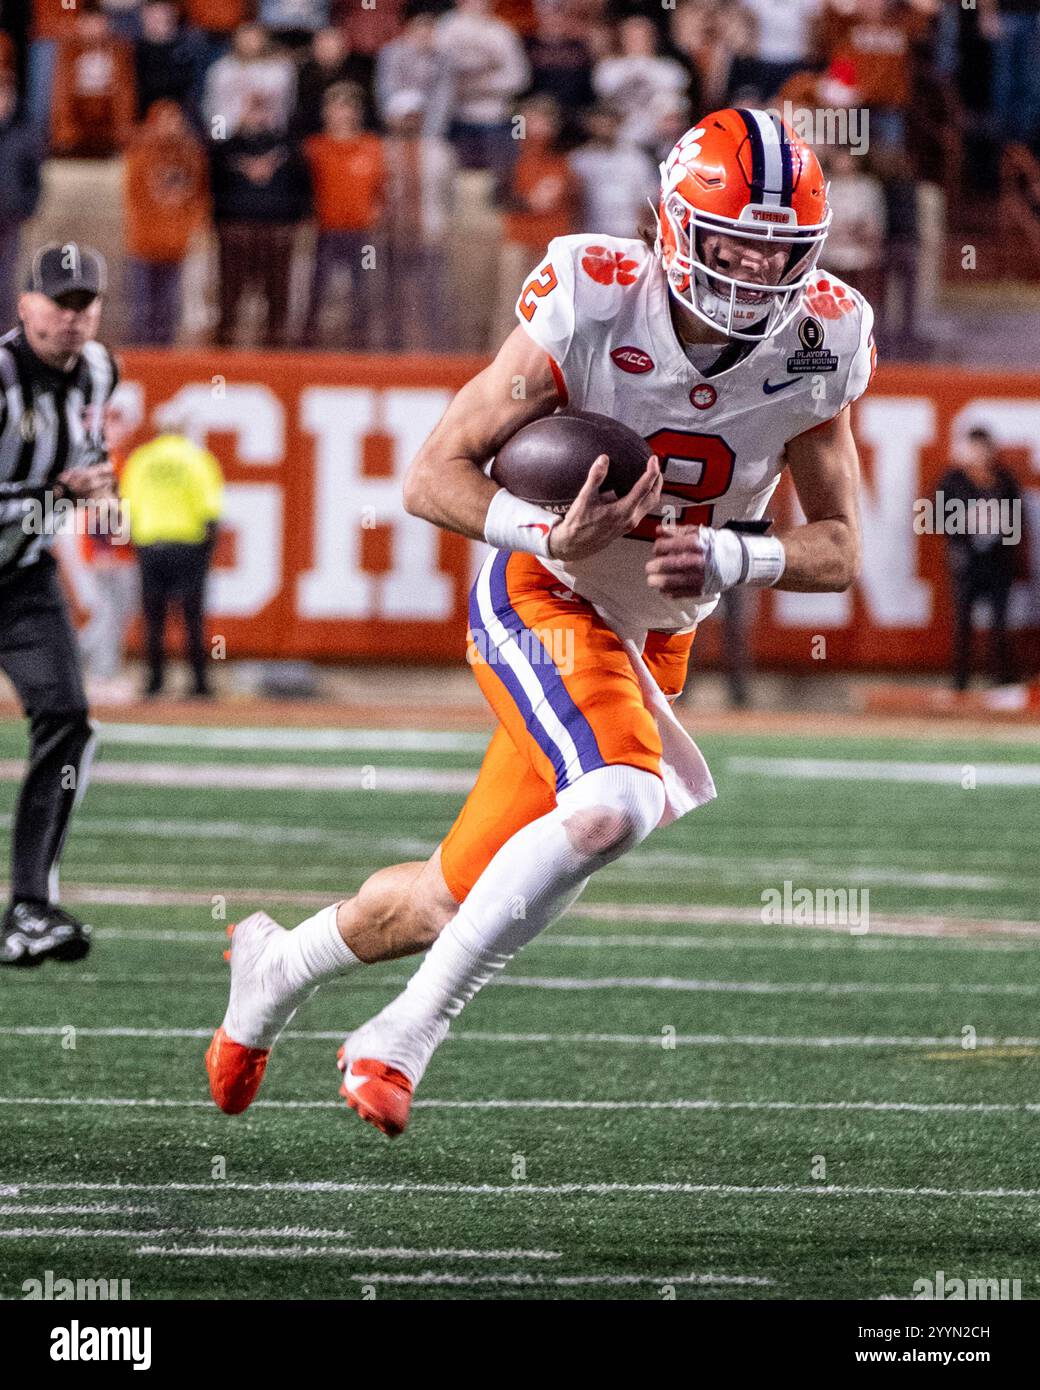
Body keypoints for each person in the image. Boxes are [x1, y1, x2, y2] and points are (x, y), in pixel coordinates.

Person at [206, 108, 876, 1136]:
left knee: (448, 896)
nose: (749, 272)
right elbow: (432, 475)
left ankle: (275, 967)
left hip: (656, 628)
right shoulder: (595, 297)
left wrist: (735, 552)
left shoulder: (822, 339)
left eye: (774, 251)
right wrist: (543, 531)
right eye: (730, 242)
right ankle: (402, 1035)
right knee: (612, 803)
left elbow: (839, 547)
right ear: (671, 225)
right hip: (541, 591)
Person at [0, 243, 118, 967]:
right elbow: (55, 488)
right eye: (58, 303)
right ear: (25, 306)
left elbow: (87, 460)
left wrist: (98, 493)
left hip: (21, 577)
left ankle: (30, 908)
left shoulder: (101, 370)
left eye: (83, 304)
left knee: (68, 717)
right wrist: (54, 496)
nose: (71, 319)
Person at [119, 422, 224, 698]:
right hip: (188, 543)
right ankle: (199, 684)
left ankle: (154, 682)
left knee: (153, 618)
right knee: (192, 617)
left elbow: (128, 503)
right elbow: (210, 507)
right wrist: (209, 545)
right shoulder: (197, 459)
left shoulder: (142, 459)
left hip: (150, 543)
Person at [209, 91, 312, 348]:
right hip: (237, 230)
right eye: (253, 108)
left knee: (277, 296)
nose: (258, 115)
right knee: (230, 295)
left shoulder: (289, 146)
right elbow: (213, 186)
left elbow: (303, 186)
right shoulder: (226, 147)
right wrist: (219, 223)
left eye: (264, 109)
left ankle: (275, 355)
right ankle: (223, 351)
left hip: (276, 231)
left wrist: (295, 221)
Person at [936, 428, 1023, 691]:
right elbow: (937, 517)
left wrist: (1002, 532)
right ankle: (960, 681)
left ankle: (998, 678)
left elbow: (1017, 521)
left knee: (999, 621)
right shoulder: (953, 481)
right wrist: (963, 525)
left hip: (997, 561)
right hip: (967, 561)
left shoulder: (1004, 480)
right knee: (963, 621)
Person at [301, 83, 386, 349]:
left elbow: (382, 188)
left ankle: (361, 344)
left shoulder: (372, 147)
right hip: (326, 231)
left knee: (363, 291)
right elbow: (304, 189)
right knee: (317, 291)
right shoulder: (314, 148)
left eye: (347, 107)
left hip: (362, 233)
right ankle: (309, 344)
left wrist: (378, 214)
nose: (341, 113)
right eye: (335, 107)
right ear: (326, 112)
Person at [492, 94, 579, 347]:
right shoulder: (512, 156)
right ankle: (502, 361)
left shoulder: (563, 161)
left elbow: (575, 204)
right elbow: (497, 197)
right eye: (536, 119)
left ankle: (545, 359)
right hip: (519, 241)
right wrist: (528, 203)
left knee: (550, 309)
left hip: (551, 247)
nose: (543, 126)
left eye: (547, 120)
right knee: (511, 305)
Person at [124, 99, 210, 345]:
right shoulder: (141, 154)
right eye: (164, 121)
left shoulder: (191, 154)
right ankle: (141, 363)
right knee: (142, 311)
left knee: (168, 311)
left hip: (175, 246)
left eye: (175, 120)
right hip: (144, 245)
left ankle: (162, 361)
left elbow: (199, 197)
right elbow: (136, 198)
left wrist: (187, 230)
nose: (170, 126)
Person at [382, 89, 457, 352]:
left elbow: (449, 195)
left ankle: (434, 349)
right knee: (390, 296)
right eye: (404, 117)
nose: (410, 122)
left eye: (414, 116)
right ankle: (393, 348)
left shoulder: (440, 152)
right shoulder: (383, 151)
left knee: (432, 296)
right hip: (391, 234)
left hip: (430, 232)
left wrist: (444, 226)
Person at [567, 101, 658, 238]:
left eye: (608, 123)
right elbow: (572, 203)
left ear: (617, 123)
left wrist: (641, 234)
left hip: (628, 232)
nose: (603, 128)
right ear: (589, 125)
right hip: (590, 232)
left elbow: (646, 201)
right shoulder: (578, 160)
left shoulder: (636, 158)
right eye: (599, 123)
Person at [0, 72, 42, 330]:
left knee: (5, 281)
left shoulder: (23, 135)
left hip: (8, 219)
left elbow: (34, 179)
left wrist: (25, 208)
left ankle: (3, 334)